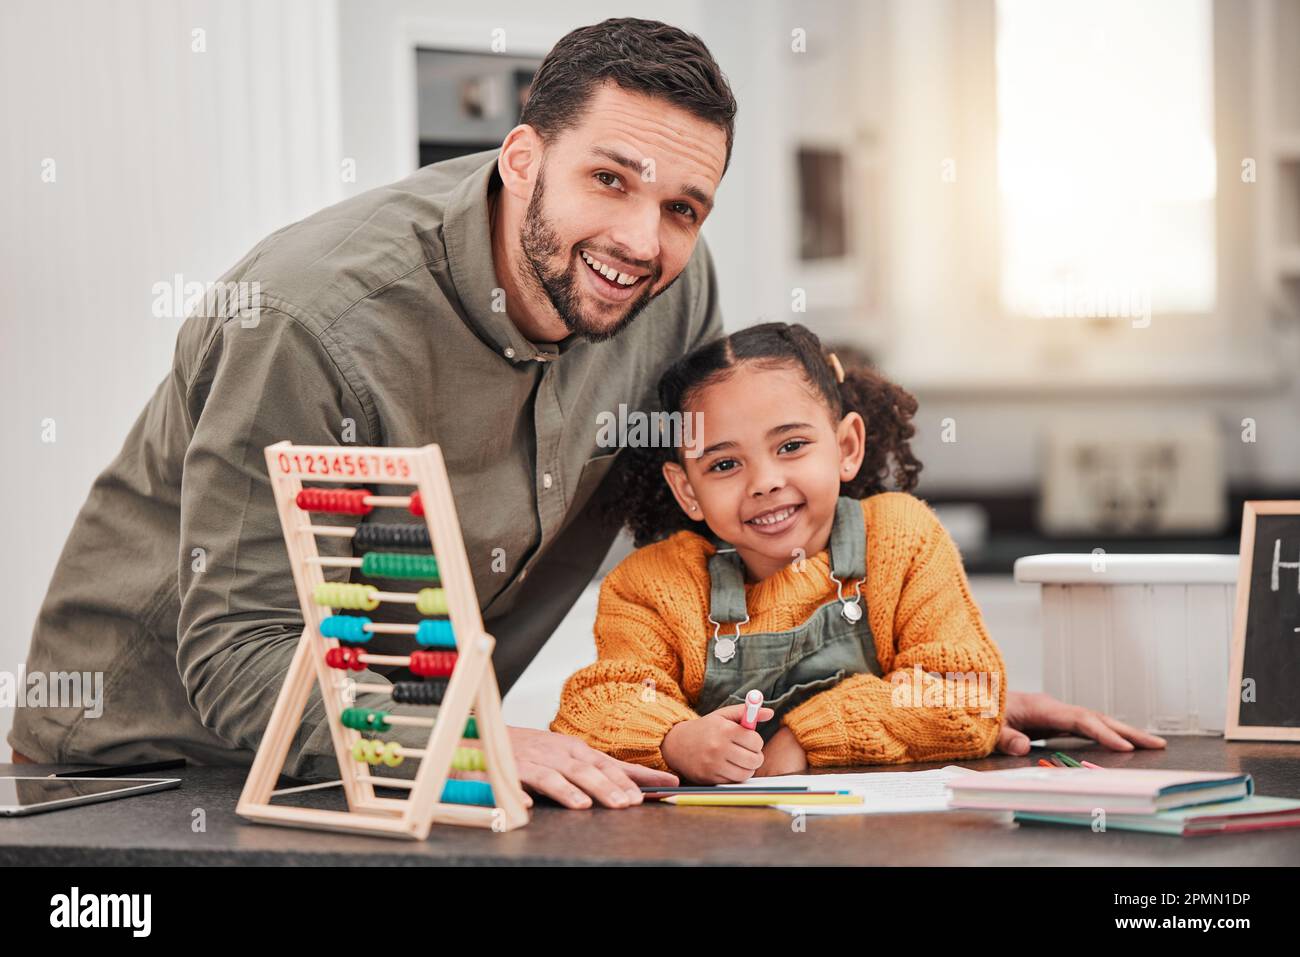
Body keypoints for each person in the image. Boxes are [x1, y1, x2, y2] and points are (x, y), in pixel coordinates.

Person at [10, 18, 1162, 807]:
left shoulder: (671, 295)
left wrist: (937, 695)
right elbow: (238, 650)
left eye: (683, 206)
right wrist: (469, 742)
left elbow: (722, 560)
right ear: (523, 158)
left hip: (419, 778)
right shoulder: (317, 322)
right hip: (147, 774)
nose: (642, 240)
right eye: (608, 179)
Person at [551, 322, 1008, 780]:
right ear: (687, 489)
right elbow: (597, 709)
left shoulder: (901, 538)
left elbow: (966, 693)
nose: (765, 482)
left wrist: (804, 738)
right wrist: (673, 740)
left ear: (846, 447)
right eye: (725, 464)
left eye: (791, 446)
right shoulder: (649, 586)